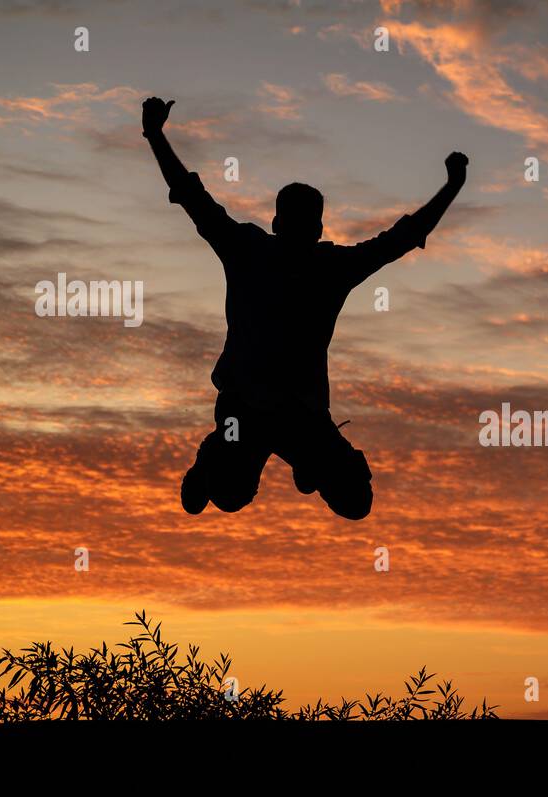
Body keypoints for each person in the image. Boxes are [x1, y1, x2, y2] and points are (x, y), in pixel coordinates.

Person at [141, 95, 467, 518]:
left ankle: (303, 464)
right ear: (296, 227)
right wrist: (155, 135)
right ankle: (214, 460)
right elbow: (190, 196)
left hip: (301, 414)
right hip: (244, 410)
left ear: (311, 230)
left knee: (356, 502)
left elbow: (401, 239)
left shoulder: (319, 264)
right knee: (228, 495)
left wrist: (452, 188)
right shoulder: (254, 251)